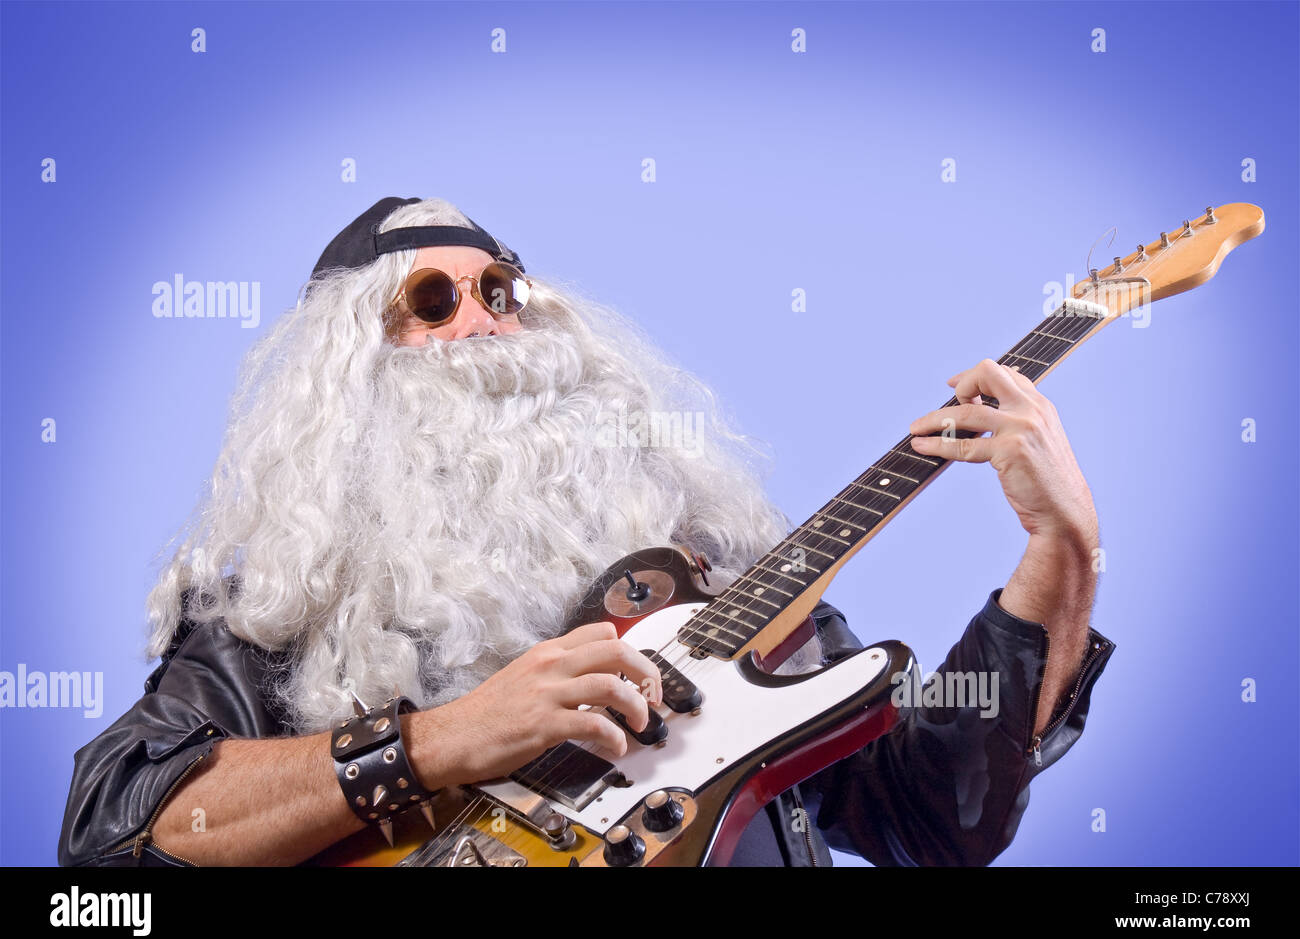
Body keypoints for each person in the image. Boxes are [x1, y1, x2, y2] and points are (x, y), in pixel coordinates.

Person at [58, 197, 1115, 867]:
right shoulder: (279, 605)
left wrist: (1059, 562)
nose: (483, 320)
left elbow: (930, 822)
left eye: (502, 289)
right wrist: (439, 740)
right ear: (347, 370)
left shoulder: (723, 572)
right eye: (431, 299)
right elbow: (112, 848)